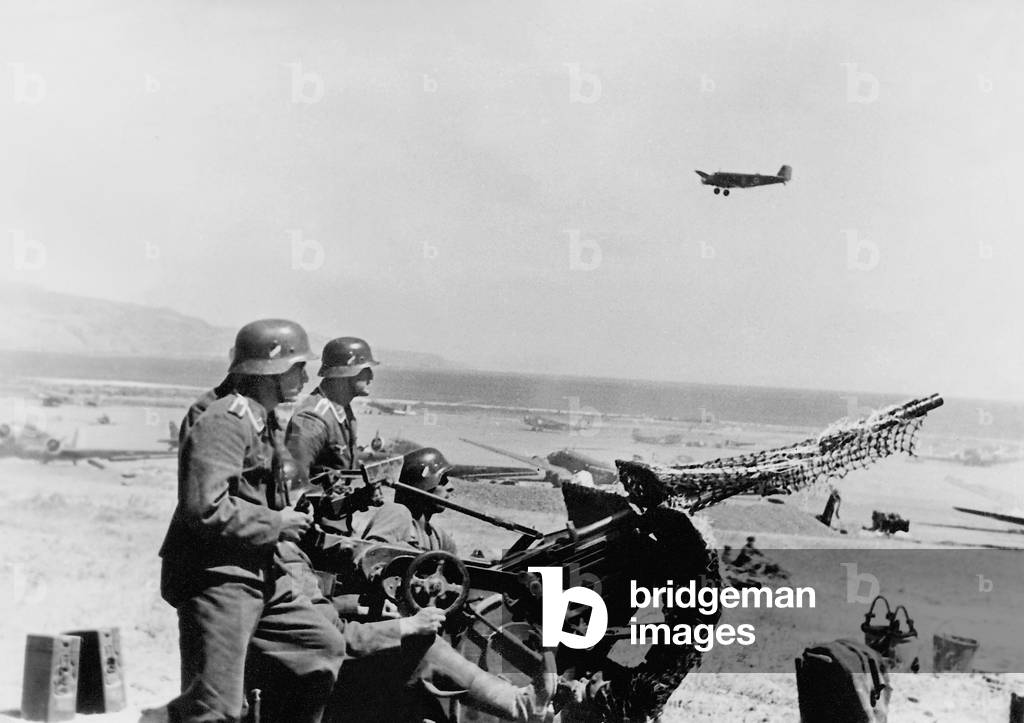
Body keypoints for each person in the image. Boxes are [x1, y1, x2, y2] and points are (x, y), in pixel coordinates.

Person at [158, 320, 444, 723]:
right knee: (214, 707)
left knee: (324, 647)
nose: (307, 377)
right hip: (221, 573)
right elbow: (205, 507)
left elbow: (275, 488)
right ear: (268, 370)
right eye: (297, 368)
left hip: (261, 564)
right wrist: (279, 523)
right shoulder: (227, 419)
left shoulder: (262, 418)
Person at [361, 446, 458, 554]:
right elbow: (372, 555)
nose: (450, 487)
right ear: (423, 485)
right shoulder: (398, 512)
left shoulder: (438, 537)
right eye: (442, 481)